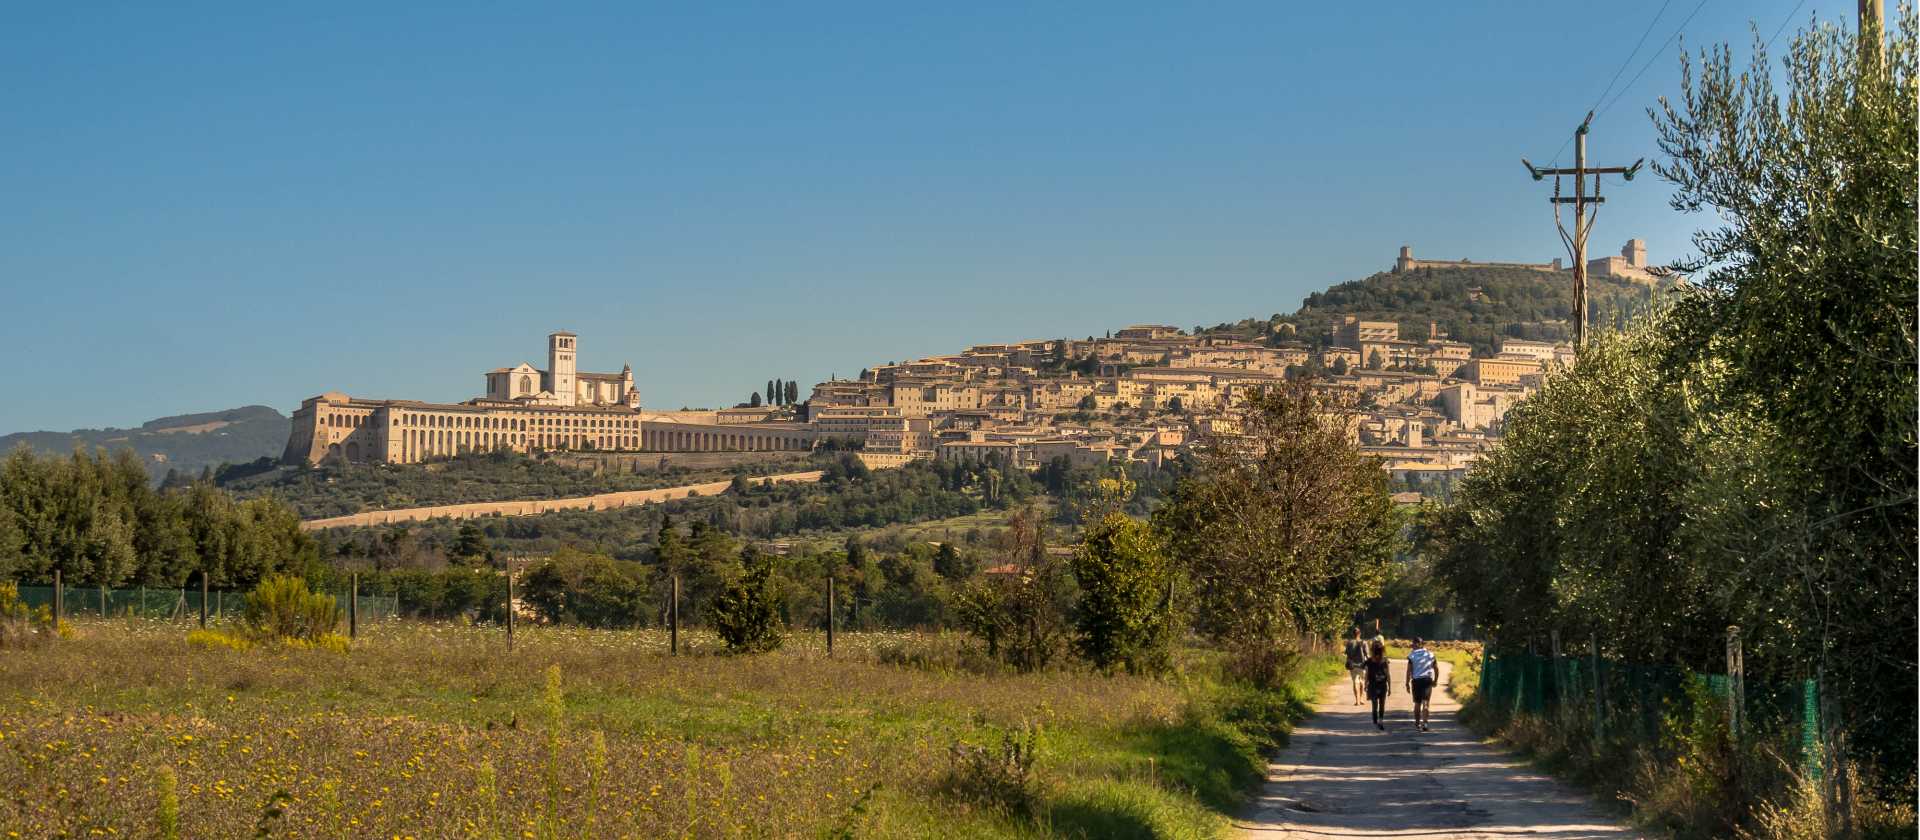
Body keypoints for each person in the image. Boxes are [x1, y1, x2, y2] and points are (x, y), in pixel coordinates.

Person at [1406, 637, 1439, 733]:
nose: (1412, 646)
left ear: (1418, 644)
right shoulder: (1430, 654)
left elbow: (1408, 670)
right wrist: (1435, 680)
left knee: (1417, 703)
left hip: (1416, 681)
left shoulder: (1412, 655)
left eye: (1413, 644)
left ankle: (1417, 723)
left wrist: (1407, 683)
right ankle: (1425, 723)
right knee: (1426, 703)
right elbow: (1436, 669)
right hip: (1427, 680)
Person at [1363, 639, 1391, 730]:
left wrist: (1365, 684)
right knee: (1382, 704)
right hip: (1383, 685)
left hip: (1373, 685)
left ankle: (1375, 719)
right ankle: (1381, 720)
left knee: (1374, 704)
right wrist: (1390, 687)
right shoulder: (1385, 661)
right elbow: (1388, 674)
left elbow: (1367, 674)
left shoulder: (1369, 661)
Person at [1344, 626, 1368, 705]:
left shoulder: (1349, 643)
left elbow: (1347, 655)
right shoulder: (1364, 642)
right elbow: (1367, 655)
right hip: (1362, 665)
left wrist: (1347, 662)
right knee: (1361, 682)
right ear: (1359, 633)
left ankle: (1357, 700)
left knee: (1355, 682)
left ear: (1353, 634)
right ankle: (1360, 699)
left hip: (1352, 665)